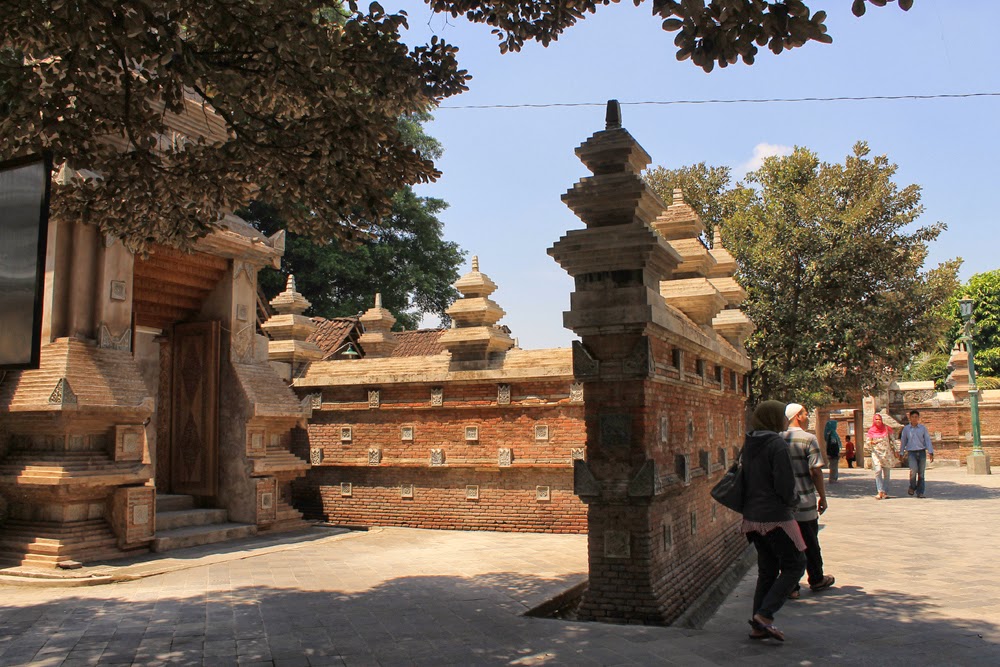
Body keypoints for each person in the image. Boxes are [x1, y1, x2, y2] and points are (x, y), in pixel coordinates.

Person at [741, 400, 807, 642]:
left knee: (767, 570)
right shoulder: (776, 444)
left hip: (752, 516)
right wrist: (793, 501)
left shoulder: (749, 442)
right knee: (796, 563)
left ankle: (758, 625)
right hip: (775, 516)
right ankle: (765, 616)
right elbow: (785, 484)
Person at [783, 404, 835, 598]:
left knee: (789, 545)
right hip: (805, 500)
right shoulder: (808, 439)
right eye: (805, 413)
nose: (807, 416)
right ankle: (816, 578)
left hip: (785, 503)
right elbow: (815, 470)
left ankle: (791, 586)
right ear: (798, 416)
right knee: (810, 543)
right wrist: (822, 495)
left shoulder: (779, 439)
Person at [899, 409, 935, 498]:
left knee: (921, 473)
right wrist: (901, 452)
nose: (914, 419)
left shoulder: (922, 428)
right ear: (910, 418)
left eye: (916, 417)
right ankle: (912, 486)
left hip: (921, 451)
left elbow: (927, 440)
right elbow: (903, 441)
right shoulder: (906, 429)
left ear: (918, 418)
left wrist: (930, 452)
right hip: (911, 453)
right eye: (912, 417)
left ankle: (920, 492)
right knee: (913, 471)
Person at [866, 414, 896, 500]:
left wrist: (897, 450)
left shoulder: (886, 428)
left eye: (879, 419)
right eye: (876, 419)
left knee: (886, 474)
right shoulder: (871, 431)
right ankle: (879, 491)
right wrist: (871, 443)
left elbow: (892, 440)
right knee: (878, 471)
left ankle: (885, 491)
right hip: (876, 454)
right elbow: (867, 442)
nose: (878, 421)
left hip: (886, 453)